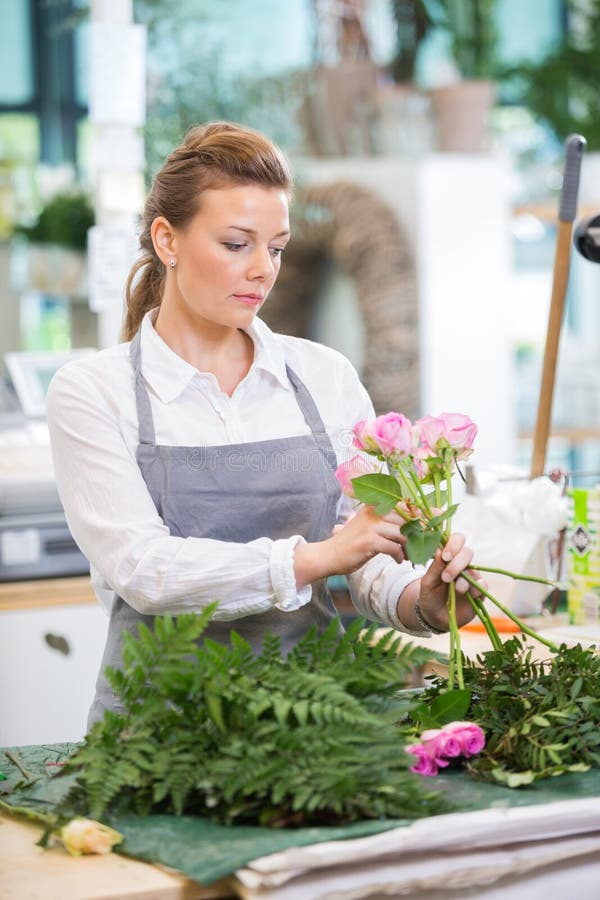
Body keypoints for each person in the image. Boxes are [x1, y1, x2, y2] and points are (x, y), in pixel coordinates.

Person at [46, 121, 482, 728]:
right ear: (167, 240)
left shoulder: (324, 377)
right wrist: (312, 559)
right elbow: (145, 570)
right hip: (154, 741)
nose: (262, 270)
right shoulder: (94, 392)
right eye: (235, 244)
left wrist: (424, 601)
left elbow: (363, 556)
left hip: (309, 735)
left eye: (275, 247)